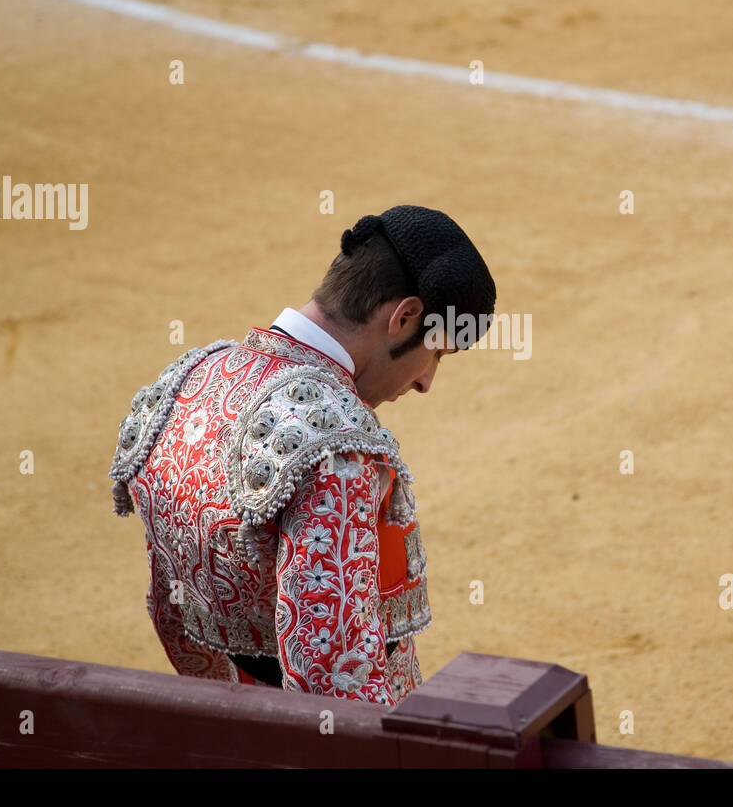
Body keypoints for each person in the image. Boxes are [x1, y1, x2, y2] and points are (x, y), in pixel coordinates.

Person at [107, 206, 497, 706]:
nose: (425, 381)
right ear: (404, 317)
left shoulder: (185, 384)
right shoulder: (337, 449)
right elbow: (332, 677)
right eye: (438, 353)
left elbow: (173, 613)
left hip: (224, 725)